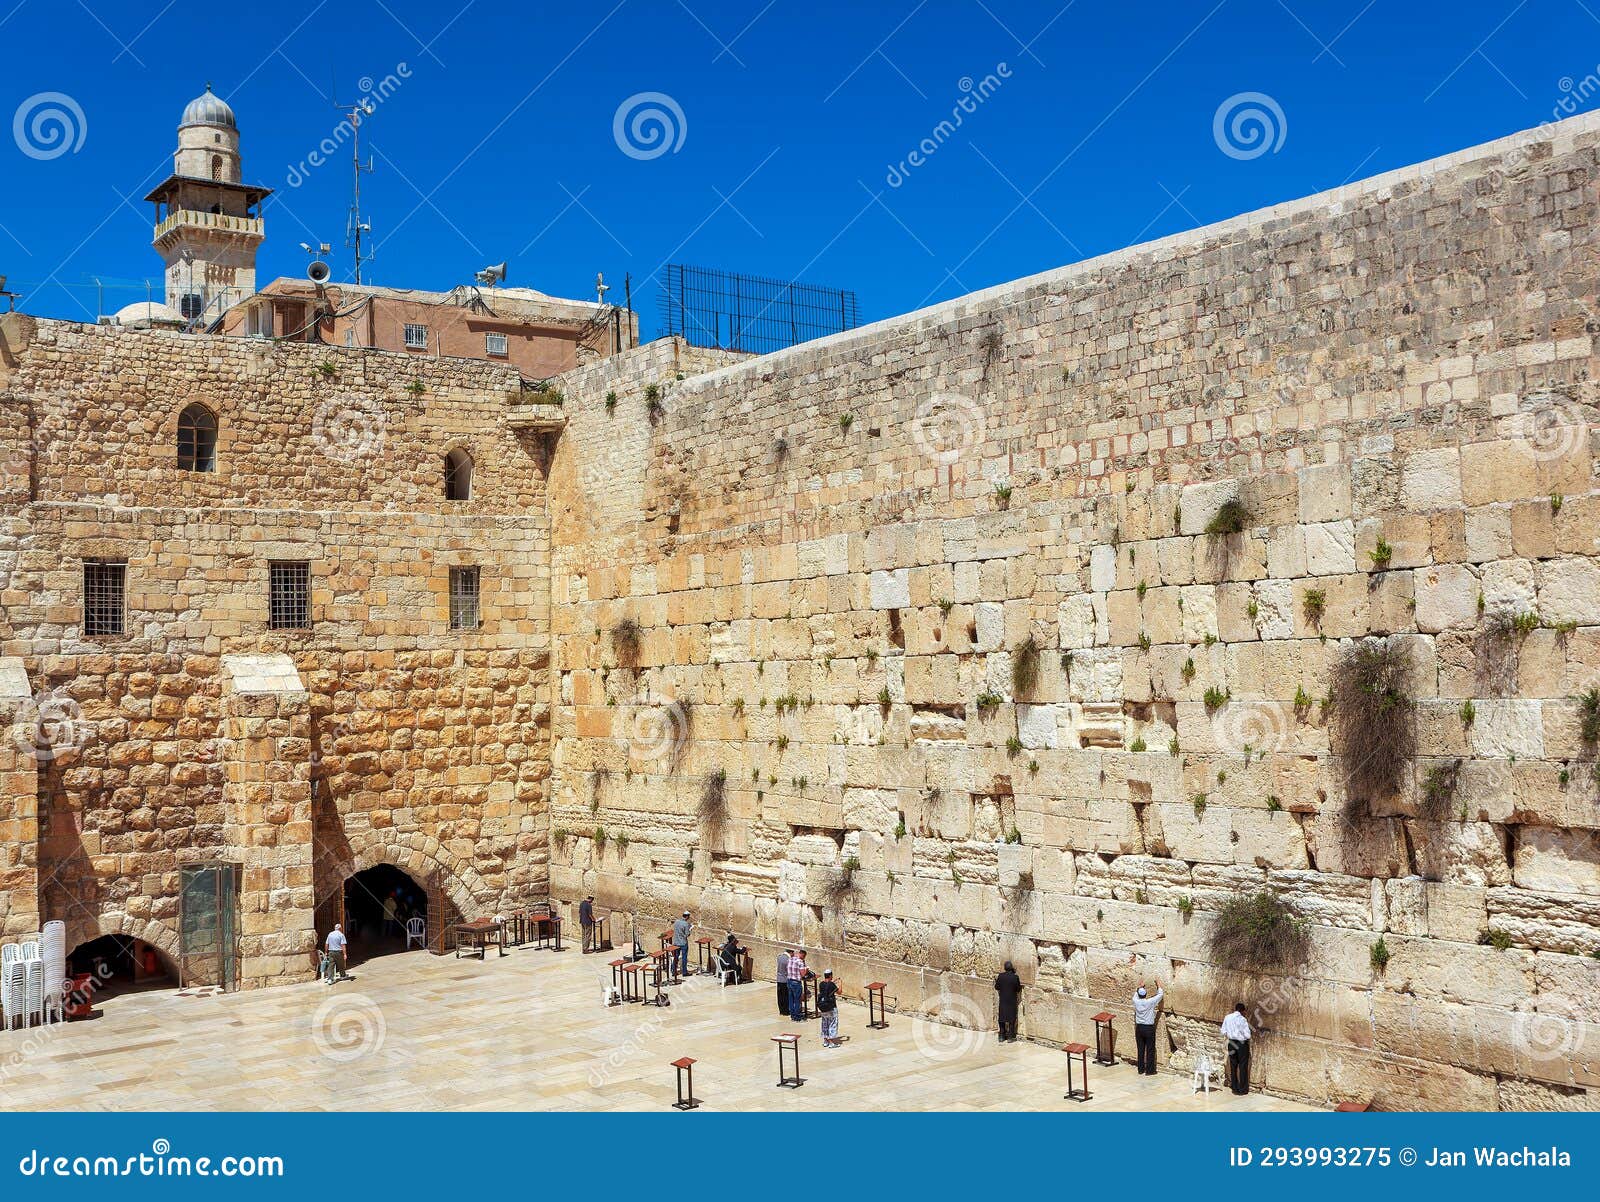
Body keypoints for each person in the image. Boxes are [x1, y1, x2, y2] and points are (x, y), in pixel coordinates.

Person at [1221, 1003, 1253, 1095]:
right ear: (1242, 1011)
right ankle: (1243, 1089)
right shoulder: (1242, 1019)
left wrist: (1231, 1034)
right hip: (1241, 1044)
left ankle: (1234, 1087)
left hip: (1231, 1043)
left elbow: (1223, 1031)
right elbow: (1248, 1035)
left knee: (1233, 1065)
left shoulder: (1227, 1017)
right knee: (1243, 1066)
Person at [1133, 982, 1164, 1075]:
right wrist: (1158, 985)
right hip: (1148, 1028)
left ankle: (1140, 1069)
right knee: (1150, 1049)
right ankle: (1150, 1071)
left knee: (1140, 1049)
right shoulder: (1150, 1002)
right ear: (1145, 994)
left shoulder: (1136, 1001)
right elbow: (1160, 994)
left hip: (1139, 1028)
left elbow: (1135, 994)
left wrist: (1140, 986)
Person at [994, 961, 1022, 1042]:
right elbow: (1018, 989)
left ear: (1005, 968)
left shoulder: (1001, 976)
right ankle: (1010, 1036)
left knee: (1002, 1018)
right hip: (1012, 1000)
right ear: (1011, 968)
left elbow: (997, 987)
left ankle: (1002, 1036)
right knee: (1011, 1018)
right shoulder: (1015, 977)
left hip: (1003, 1000)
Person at [818, 969, 841, 1047]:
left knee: (825, 1023)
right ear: (830, 975)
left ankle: (825, 1041)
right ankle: (831, 1042)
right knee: (833, 1023)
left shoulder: (821, 984)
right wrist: (840, 984)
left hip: (823, 1007)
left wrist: (832, 982)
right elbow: (839, 992)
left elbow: (825, 989)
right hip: (831, 1007)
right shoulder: (831, 985)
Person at [787, 946, 807, 1021]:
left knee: (791, 999)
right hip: (796, 982)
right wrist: (806, 969)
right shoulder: (800, 962)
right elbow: (803, 974)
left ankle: (792, 1015)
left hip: (789, 981)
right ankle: (797, 1017)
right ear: (803, 955)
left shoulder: (791, 959)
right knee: (797, 1000)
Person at [672, 911, 692, 979]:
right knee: (684, 958)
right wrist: (690, 930)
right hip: (683, 943)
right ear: (687, 916)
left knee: (676, 957)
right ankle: (684, 972)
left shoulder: (676, 921)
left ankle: (673, 971)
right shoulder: (686, 924)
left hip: (676, 942)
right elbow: (687, 934)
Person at [776, 949, 792, 1015]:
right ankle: (786, 1011)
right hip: (785, 980)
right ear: (790, 952)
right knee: (785, 996)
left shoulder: (779, 957)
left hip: (779, 979)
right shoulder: (788, 959)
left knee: (780, 996)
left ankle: (781, 1010)